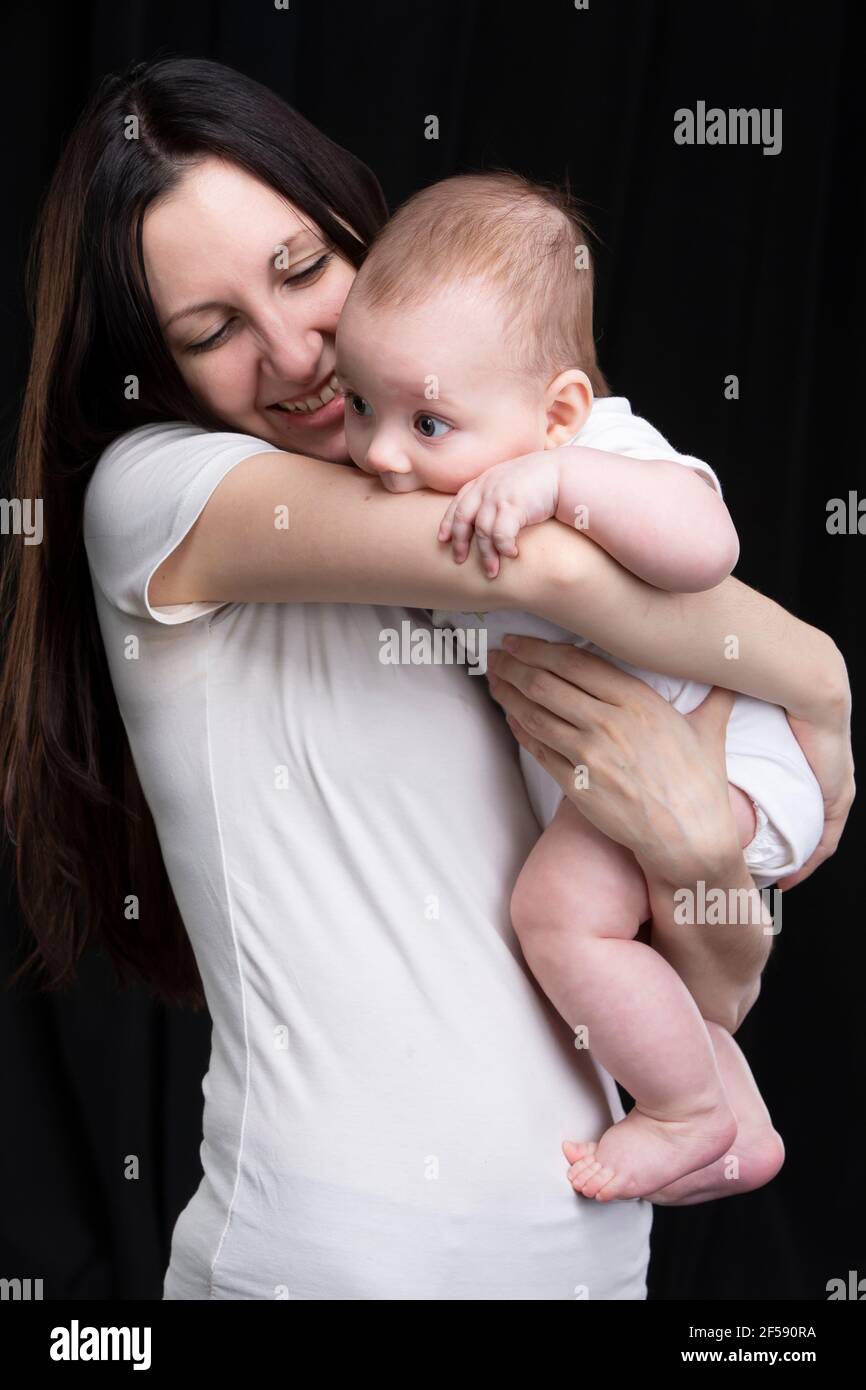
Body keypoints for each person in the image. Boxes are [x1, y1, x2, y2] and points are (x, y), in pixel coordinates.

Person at [0, 58, 853, 1300]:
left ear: (363, 229)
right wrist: (822, 686)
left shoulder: (455, 491)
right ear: (159, 366)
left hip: (587, 1255)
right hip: (334, 1261)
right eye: (212, 329)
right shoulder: (160, 494)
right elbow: (558, 577)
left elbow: (717, 989)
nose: (295, 352)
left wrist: (695, 846)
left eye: (300, 270)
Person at [332, 169, 828, 1206]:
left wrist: (563, 488)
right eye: (360, 406)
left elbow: (706, 545)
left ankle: (680, 1111)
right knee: (629, 948)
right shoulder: (471, 468)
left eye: (426, 423)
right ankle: (731, 1111)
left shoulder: (599, 448)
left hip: (714, 748)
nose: (379, 454)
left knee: (556, 917)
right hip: (633, 771)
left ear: (556, 410)